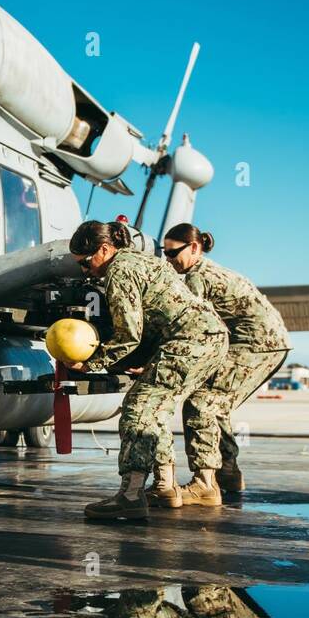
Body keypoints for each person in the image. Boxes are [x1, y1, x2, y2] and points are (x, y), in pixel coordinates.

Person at [68, 219, 228, 521]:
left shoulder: (119, 271)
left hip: (189, 342)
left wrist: (90, 363)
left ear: (104, 249)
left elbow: (128, 334)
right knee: (155, 408)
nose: (85, 271)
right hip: (208, 339)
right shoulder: (141, 260)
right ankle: (165, 488)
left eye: (86, 263)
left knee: (139, 409)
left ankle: (130, 496)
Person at [163, 223, 290, 502]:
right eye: (165, 254)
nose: (169, 261)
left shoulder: (198, 278)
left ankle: (204, 484)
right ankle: (228, 473)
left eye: (173, 254)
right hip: (268, 344)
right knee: (216, 404)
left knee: (201, 404)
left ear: (194, 248)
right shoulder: (208, 270)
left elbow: (187, 327)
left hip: (256, 346)